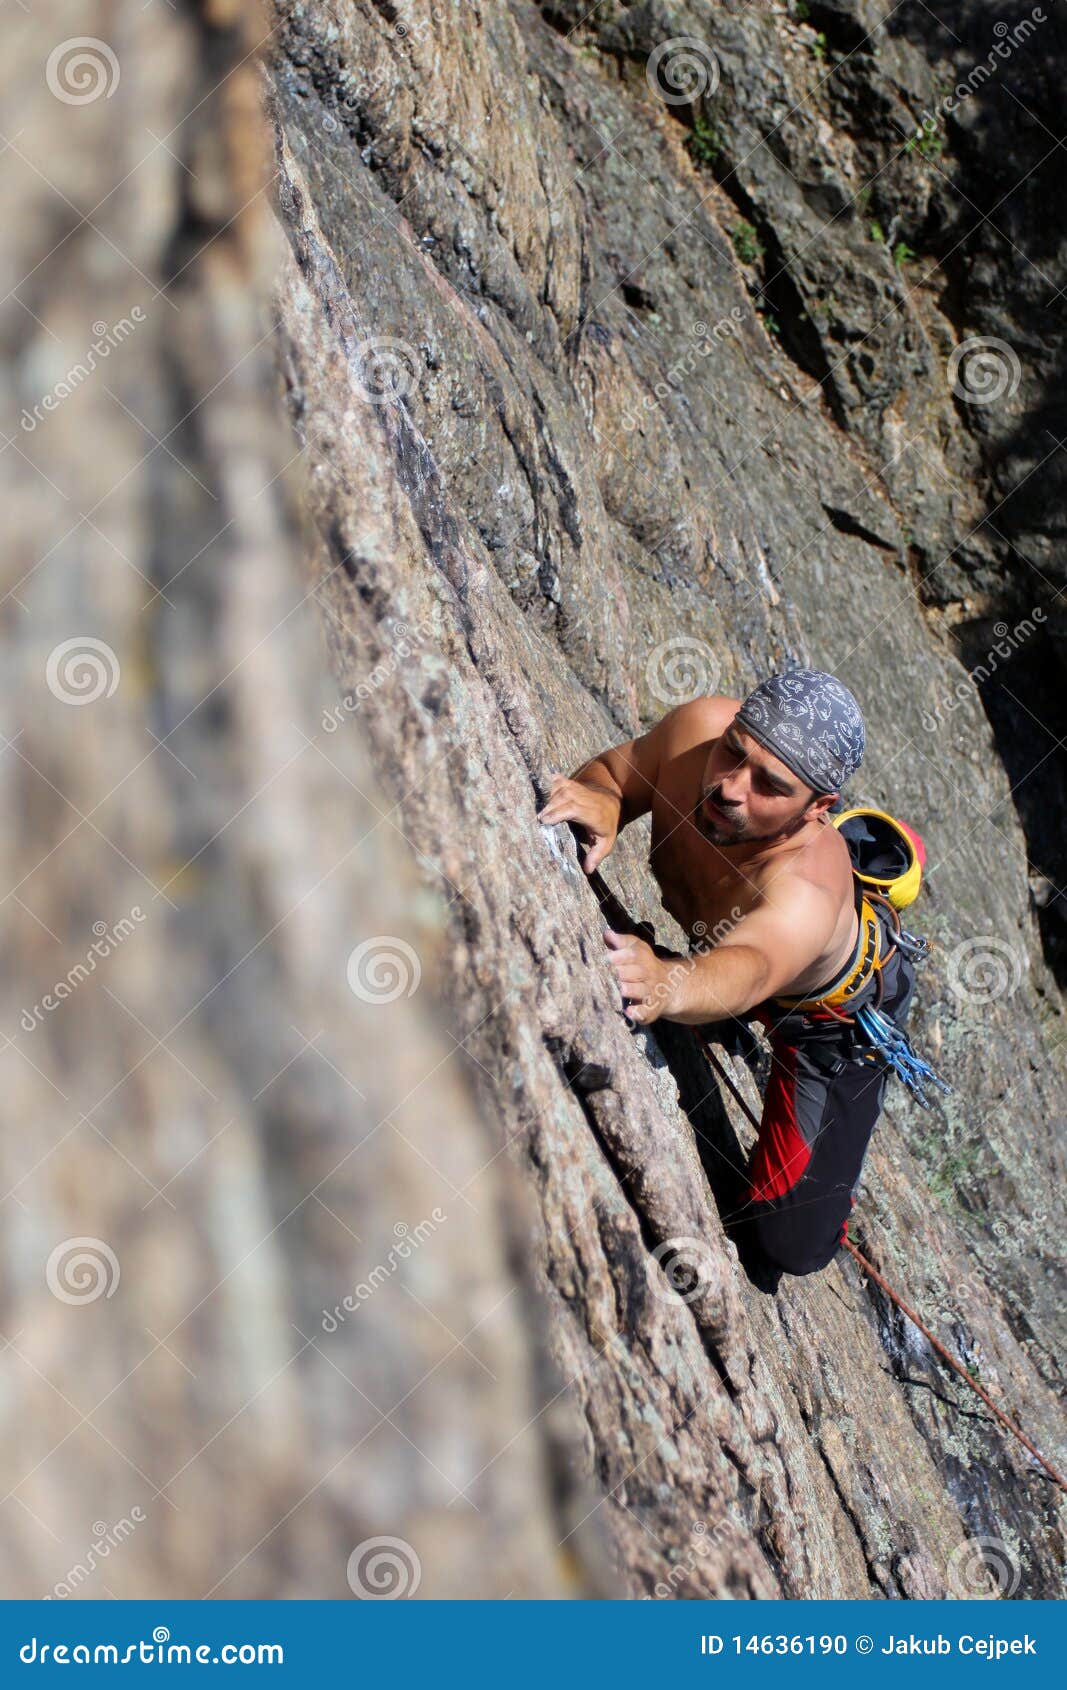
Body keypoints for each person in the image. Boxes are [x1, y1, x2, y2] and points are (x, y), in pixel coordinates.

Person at [536, 669, 917, 1277]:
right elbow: (616, 773)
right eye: (734, 751)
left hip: (825, 1015)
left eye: (770, 784)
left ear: (818, 809)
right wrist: (606, 799)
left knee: (786, 1242)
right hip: (731, 955)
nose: (730, 787)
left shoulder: (805, 892)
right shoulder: (697, 732)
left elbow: (750, 967)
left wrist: (668, 984)